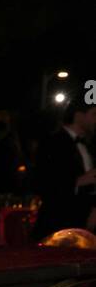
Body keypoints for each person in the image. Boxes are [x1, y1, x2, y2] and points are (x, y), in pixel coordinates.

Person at [32, 101, 96, 238]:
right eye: (94, 114)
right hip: (57, 225)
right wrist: (77, 181)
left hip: (84, 226)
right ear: (79, 116)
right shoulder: (52, 142)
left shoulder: (89, 144)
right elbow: (41, 183)